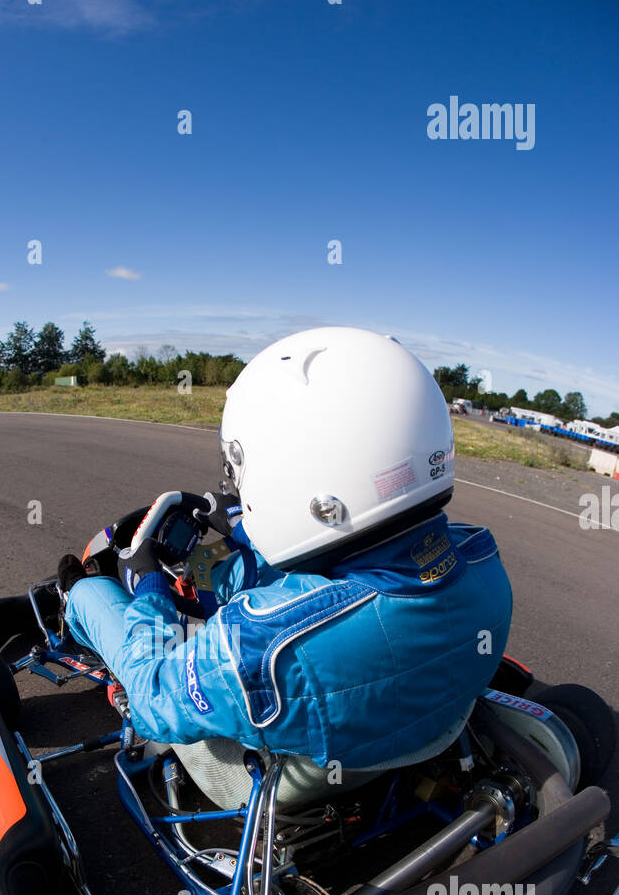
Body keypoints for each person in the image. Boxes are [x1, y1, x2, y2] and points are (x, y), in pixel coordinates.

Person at [56, 326, 513, 771]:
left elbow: (154, 697)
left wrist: (152, 586)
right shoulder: (480, 556)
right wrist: (238, 527)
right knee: (241, 572)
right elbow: (340, 543)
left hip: (287, 773)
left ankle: (73, 599)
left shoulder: (254, 644)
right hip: (421, 728)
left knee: (93, 592)